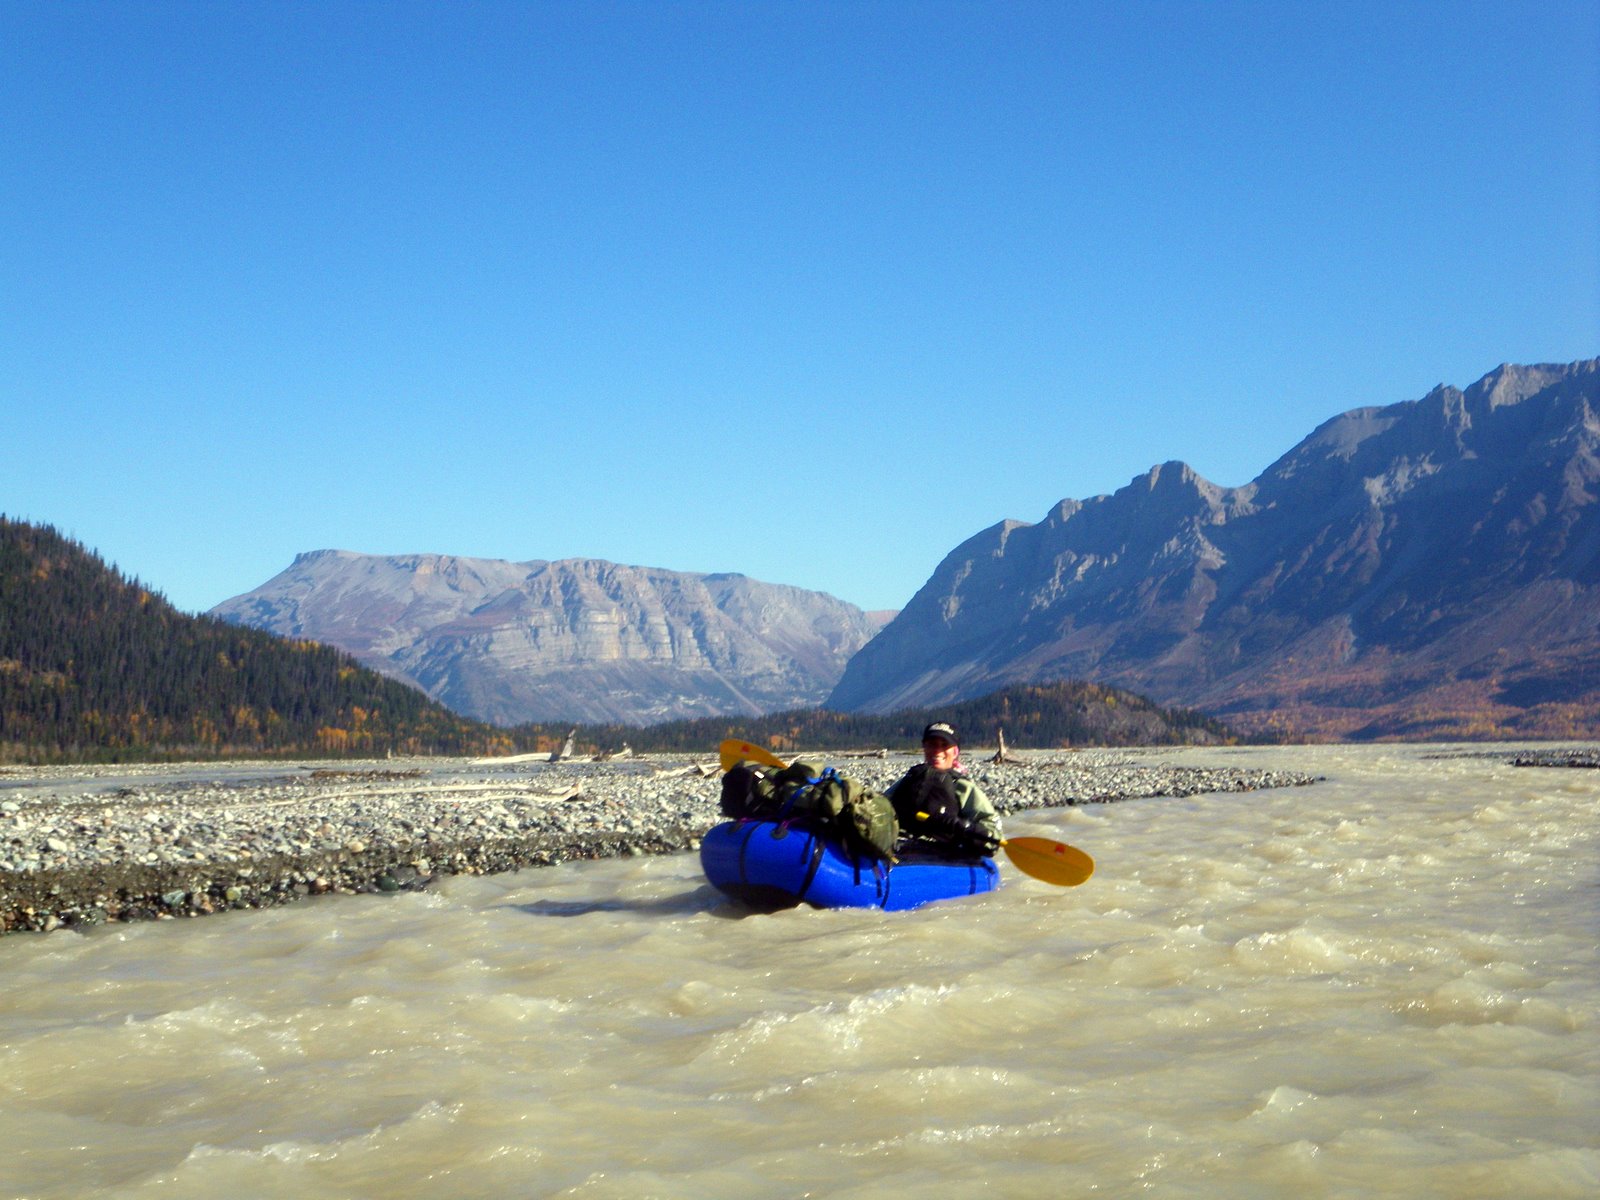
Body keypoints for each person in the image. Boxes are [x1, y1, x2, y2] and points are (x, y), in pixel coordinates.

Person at [886, 722, 1002, 856]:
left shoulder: (963, 787)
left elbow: (994, 834)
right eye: (932, 744)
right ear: (924, 748)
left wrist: (966, 827)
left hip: (948, 853)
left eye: (944, 745)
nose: (937, 750)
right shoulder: (910, 780)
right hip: (904, 850)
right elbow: (880, 806)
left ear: (955, 752)